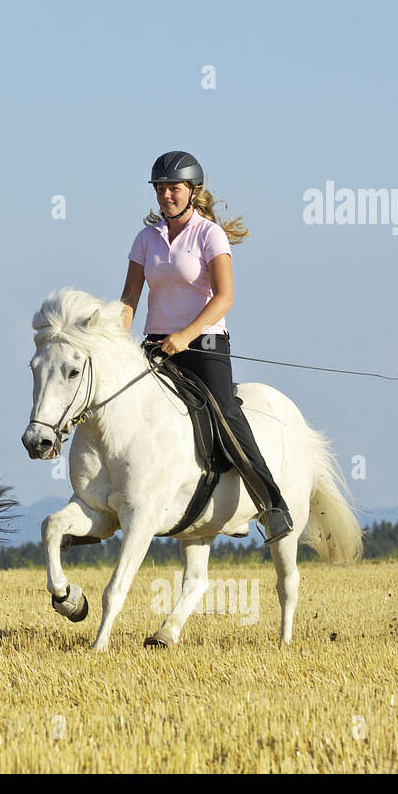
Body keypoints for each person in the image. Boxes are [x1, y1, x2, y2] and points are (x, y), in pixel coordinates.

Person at [120, 150, 294, 544]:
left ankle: (271, 504)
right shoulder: (146, 239)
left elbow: (225, 297)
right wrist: (113, 340)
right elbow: (129, 298)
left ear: (193, 192)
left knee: (225, 410)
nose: (166, 195)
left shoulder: (209, 234)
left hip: (206, 343)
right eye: (161, 189)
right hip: (157, 344)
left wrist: (186, 335)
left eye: (174, 189)